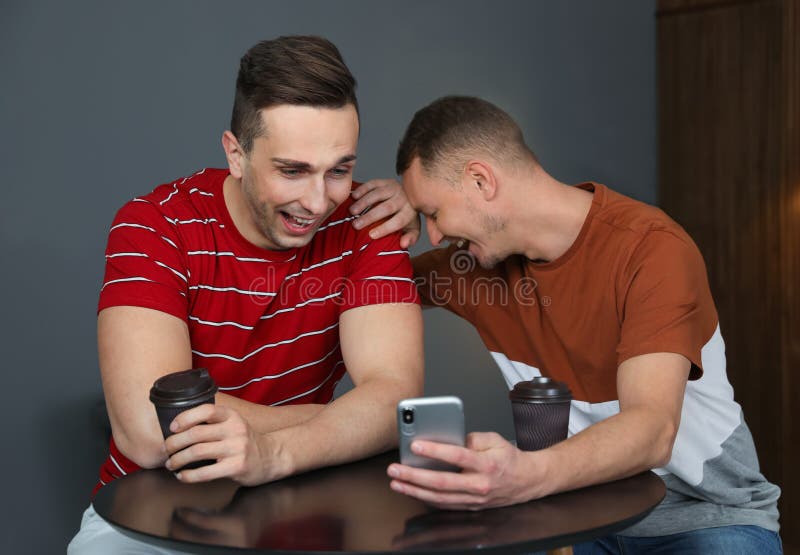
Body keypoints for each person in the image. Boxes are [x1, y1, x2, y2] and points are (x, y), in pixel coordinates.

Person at [350, 95, 782, 553]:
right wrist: (389, 218)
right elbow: (357, 289)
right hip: (582, 519)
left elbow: (652, 430)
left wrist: (521, 475)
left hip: (706, 520)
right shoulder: (473, 265)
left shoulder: (652, 250)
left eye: (433, 214)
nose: (432, 235)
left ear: (481, 180)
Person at [68, 36, 423, 553]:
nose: (319, 200)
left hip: (302, 495)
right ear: (236, 154)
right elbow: (149, 430)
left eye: (340, 170)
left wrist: (274, 451)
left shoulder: (370, 226)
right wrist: (345, 421)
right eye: (292, 170)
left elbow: (400, 405)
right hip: (150, 508)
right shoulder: (154, 225)